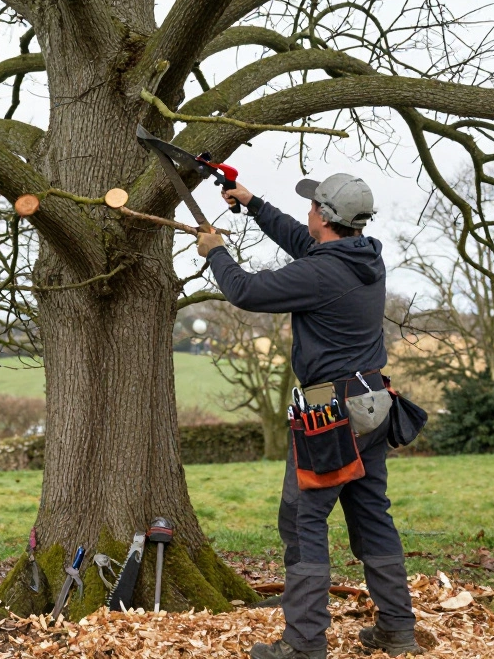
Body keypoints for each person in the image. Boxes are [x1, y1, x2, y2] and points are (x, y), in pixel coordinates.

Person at [196, 174, 421, 659]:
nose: (307, 214)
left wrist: (215, 251)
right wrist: (253, 204)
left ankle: (302, 645)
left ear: (323, 215)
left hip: (331, 411)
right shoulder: (365, 258)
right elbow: (304, 243)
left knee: (303, 520)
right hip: (373, 404)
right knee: (371, 514)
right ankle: (399, 631)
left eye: (313, 207)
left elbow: (246, 292)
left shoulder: (320, 274)